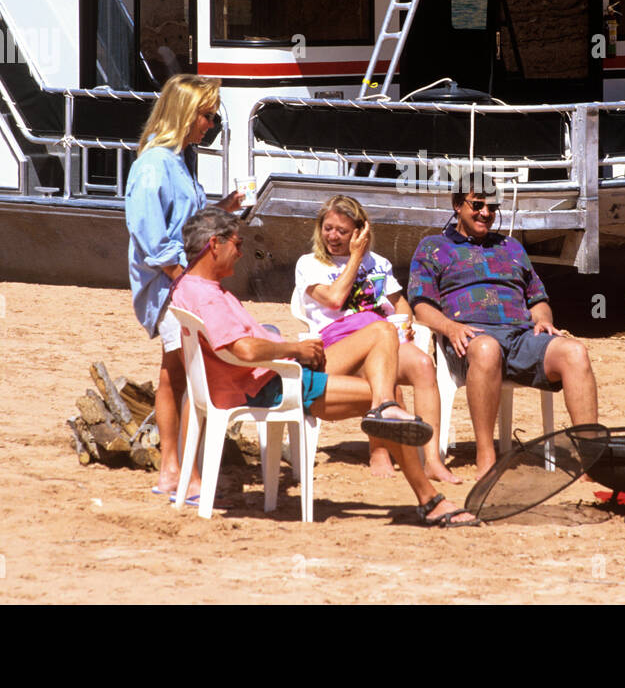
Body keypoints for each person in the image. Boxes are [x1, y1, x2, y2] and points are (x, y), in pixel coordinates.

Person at [172, 208, 479, 527]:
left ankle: (385, 411)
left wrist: (281, 344)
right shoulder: (209, 297)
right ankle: (429, 498)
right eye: (237, 243)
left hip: (262, 378)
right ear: (214, 244)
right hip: (272, 384)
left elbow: (237, 343)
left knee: (382, 333)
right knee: (387, 383)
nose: (241, 252)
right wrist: (294, 348)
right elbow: (245, 349)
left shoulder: (188, 285)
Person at [408, 173, 599, 474]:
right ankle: (487, 457)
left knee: (574, 352)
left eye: (492, 207)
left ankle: (592, 460)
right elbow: (420, 305)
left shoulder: (511, 248)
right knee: (486, 348)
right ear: (457, 205)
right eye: (477, 205)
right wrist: (449, 328)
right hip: (469, 341)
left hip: (521, 338)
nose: (486, 213)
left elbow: (537, 298)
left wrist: (544, 321)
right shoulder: (433, 247)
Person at [124, 74, 240, 501]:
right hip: (173, 284)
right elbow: (150, 234)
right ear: (187, 114)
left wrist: (220, 211)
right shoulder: (155, 164)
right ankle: (183, 471)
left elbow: (177, 225)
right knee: (191, 374)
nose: (210, 124)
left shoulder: (175, 159)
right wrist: (181, 279)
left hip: (180, 280)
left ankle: (173, 468)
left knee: (176, 373)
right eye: (207, 116)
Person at [294, 195, 460, 484]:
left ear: (359, 231)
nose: (332, 236)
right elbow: (334, 300)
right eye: (328, 228)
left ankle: (432, 460)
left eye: (342, 231)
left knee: (422, 363)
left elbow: (401, 305)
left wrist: (406, 324)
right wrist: (356, 257)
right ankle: (379, 449)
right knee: (382, 339)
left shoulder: (379, 263)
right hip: (336, 349)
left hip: (382, 341)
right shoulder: (310, 264)